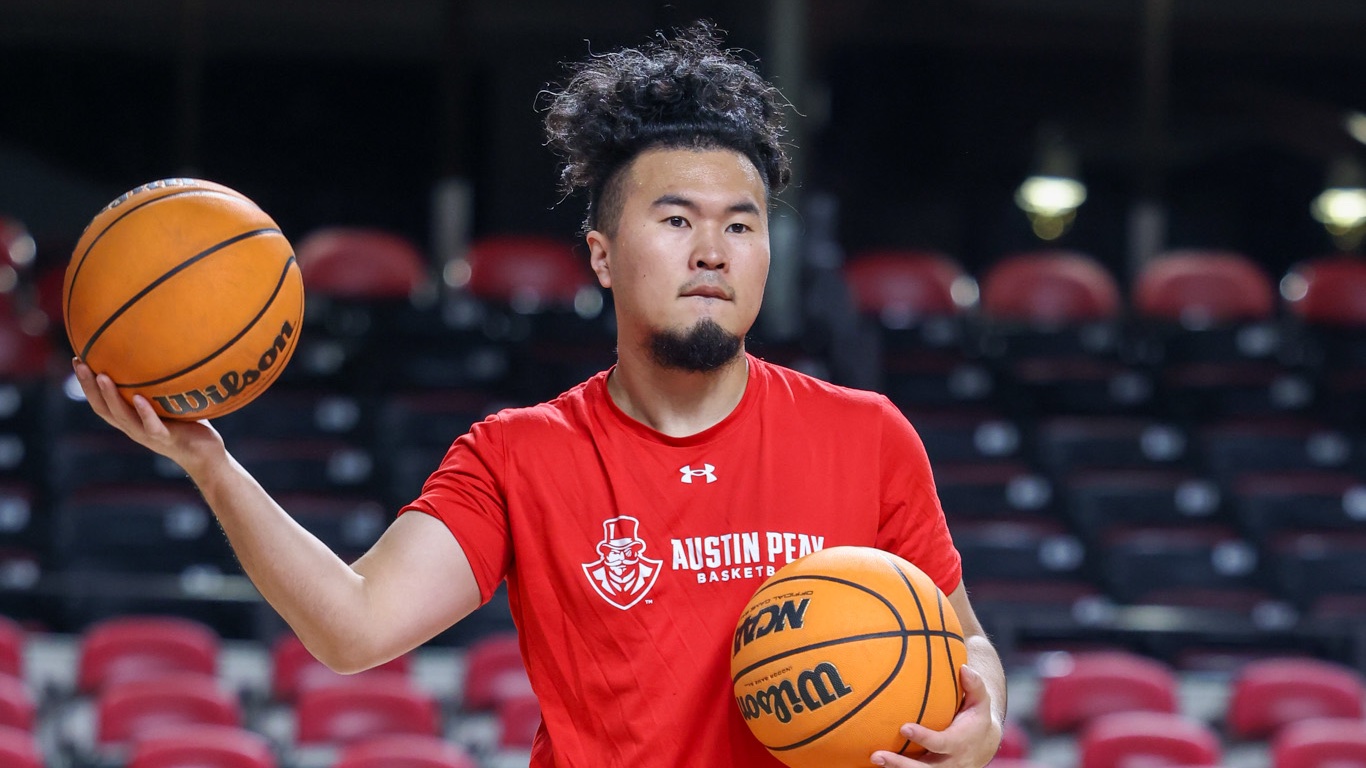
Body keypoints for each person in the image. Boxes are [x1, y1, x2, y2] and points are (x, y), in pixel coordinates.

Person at [73, 21, 1006, 768]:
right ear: (601, 254)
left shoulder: (868, 435)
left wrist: (986, 721)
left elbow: (966, 648)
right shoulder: (518, 455)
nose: (712, 251)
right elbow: (354, 628)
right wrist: (210, 462)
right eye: (675, 219)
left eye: (742, 224)